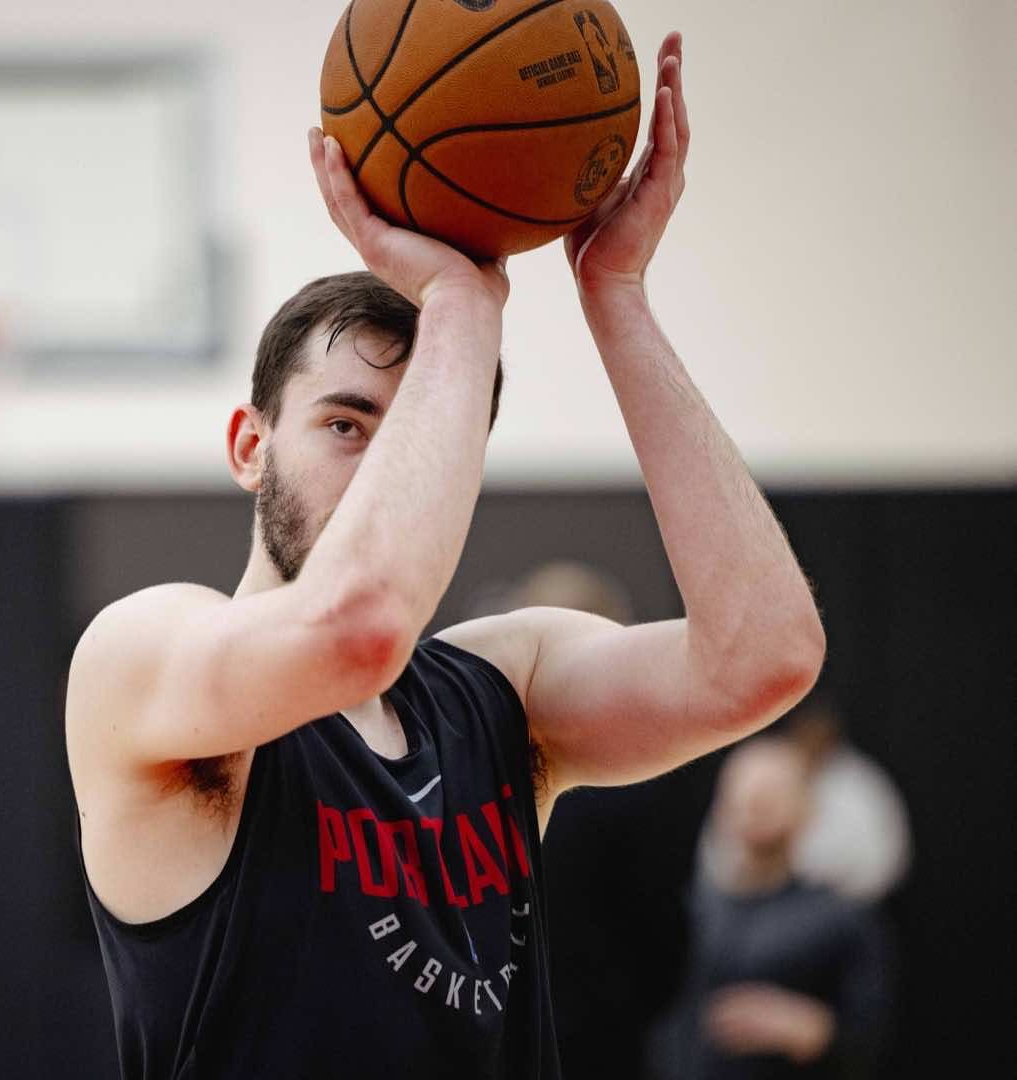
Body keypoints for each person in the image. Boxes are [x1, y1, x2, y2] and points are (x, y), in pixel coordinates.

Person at [65, 34, 825, 1079]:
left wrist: (619, 296)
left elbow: (765, 656)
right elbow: (356, 631)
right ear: (251, 447)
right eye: (344, 425)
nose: (382, 470)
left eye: (413, 440)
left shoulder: (501, 691)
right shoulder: (143, 655)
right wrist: (463, 307)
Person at [648, 738, 892, 1079]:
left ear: (808, 808)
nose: (755, 800)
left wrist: (811, 1030)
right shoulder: (685, 911)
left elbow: (871, 1037)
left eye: (774, 792)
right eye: (743, 790)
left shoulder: (842, 919)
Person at [697, 701, 912, 904]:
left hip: (836, 902)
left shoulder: (857, 786)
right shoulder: (764, 766)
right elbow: (718, 857)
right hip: (748, 899)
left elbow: (881, 863)